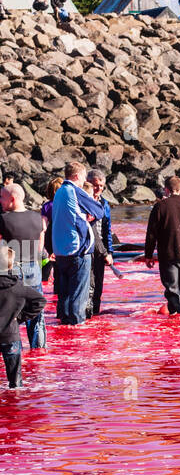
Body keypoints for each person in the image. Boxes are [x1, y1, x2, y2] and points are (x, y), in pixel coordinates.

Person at [144, 174, 180, 314]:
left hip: (168, 253)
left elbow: (151, 234)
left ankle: (177, 317)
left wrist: (148, 255)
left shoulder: (159, 207)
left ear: (166, 189)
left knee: (172, 288)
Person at [0, 183, 47, 354]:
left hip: (12, 268)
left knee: (11, 311)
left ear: (12, 199)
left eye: (2, 198)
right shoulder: (37, 218)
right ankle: (39, 351)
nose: (0, 201)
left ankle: (14, 351)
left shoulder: (3, 219)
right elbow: (41, 248)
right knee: (36, 313)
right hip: (33, 267)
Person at [51, 161, 100, 325]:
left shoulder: (59, 192)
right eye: (84, 177)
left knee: (64, 296)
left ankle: (64, 334)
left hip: (60, 250)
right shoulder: (75, 190)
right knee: (79, 297)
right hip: (77, 250)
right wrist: (88, 214)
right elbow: (98, 210)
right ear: (77, 176)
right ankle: (77, 334)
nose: (84, 181)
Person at [0, 243, 45, 389]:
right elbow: (40, 301)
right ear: (11, 264)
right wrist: (20, 318)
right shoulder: (17, 286)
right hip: (10, 335)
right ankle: (15, 408)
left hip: (9, 333)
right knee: (16, 384)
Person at [85, 169, 112, 317]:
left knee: (98, 286)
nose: (99, 189)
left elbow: (107, 230)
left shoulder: (104, 203)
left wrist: (110, 252)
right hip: (86, 248)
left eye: (101, 186)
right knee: (89, 284)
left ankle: (95, 313)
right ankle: (86, 313)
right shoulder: (83, 201)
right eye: (96, 185)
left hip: (101, 249)